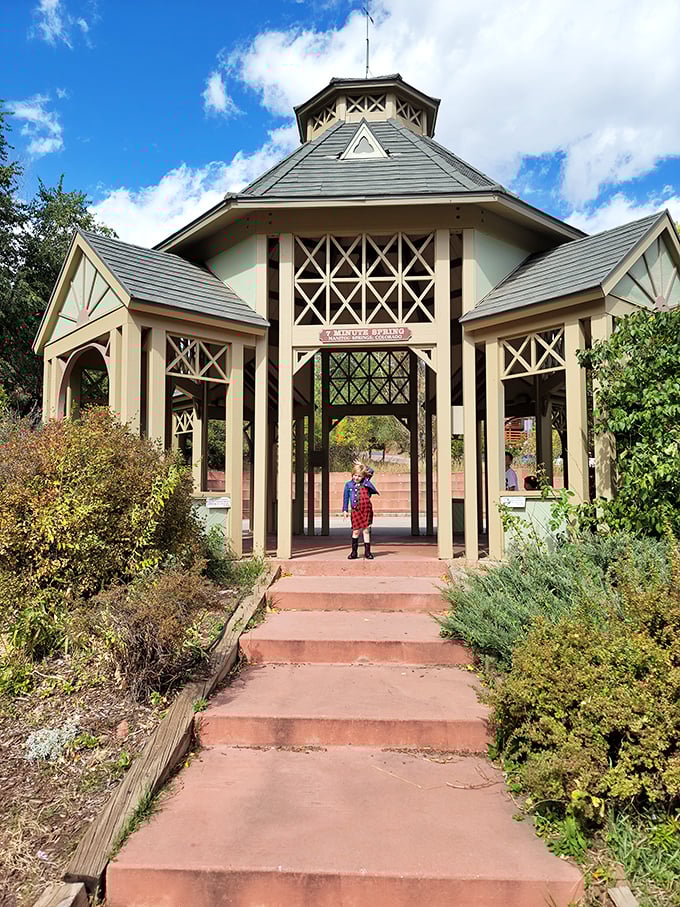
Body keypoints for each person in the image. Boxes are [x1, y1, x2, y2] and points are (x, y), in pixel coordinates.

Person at [342, 462, 379, 559]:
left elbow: (371, 471)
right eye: (355, 475)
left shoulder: (365, 482)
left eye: (359, 476)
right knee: (356, 531)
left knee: (366, 531)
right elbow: (345, 498)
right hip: (356, 510)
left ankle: (368, 552)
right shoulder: (348, 485)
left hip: (366, 510)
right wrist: (345, 510)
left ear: (363, 476)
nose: (357, 478)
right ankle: (354, 552)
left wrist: (362, 465)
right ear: (352, 475)